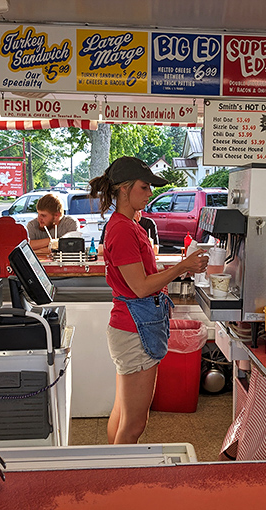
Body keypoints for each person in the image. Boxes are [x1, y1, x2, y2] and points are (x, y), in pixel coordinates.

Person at [89, 156, 208, 444]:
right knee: (134, 424)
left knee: (122, 413)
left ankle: (112, 473)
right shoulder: (123, 228)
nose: (150, 192)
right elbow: (141, 287)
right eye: (144, 187)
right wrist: (182, 267)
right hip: (134, 329)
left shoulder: (126, 224)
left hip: (129, 325)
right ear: (124, 189)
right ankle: (120, 483)